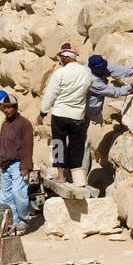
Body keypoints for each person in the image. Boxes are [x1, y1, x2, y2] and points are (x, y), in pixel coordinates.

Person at [38, 44, 94, 185]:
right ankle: (78, 179)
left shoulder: (60, 73)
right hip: (77, 116)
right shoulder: (87, 72)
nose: (60, 59)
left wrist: (43, 112)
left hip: (60, 114)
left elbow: (51, 94)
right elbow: (88, 88)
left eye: (61, 56)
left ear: (67, 57)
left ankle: (61, 175)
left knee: (58, 143)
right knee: (76, 145)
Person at [0, 92, 34, 231]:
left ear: (16, 107)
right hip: (5, 165)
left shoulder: (24, 124)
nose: (6, 110)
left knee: (18, 192)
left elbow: (28, 146)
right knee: (5, 197)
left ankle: (23, 220)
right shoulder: (5, 124)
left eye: (9, 108)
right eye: (5, 108)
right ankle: (12, 222)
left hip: (18, 164)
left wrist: (25, 166)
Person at [86, 55, 133, 125]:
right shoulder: (92, 80)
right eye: (100, 70)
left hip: (92, 104)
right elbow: (112, 92)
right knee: (82, 127)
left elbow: (114, 69)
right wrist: (130, 87)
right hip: (85, 108)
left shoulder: (97, 65)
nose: (103, 70)